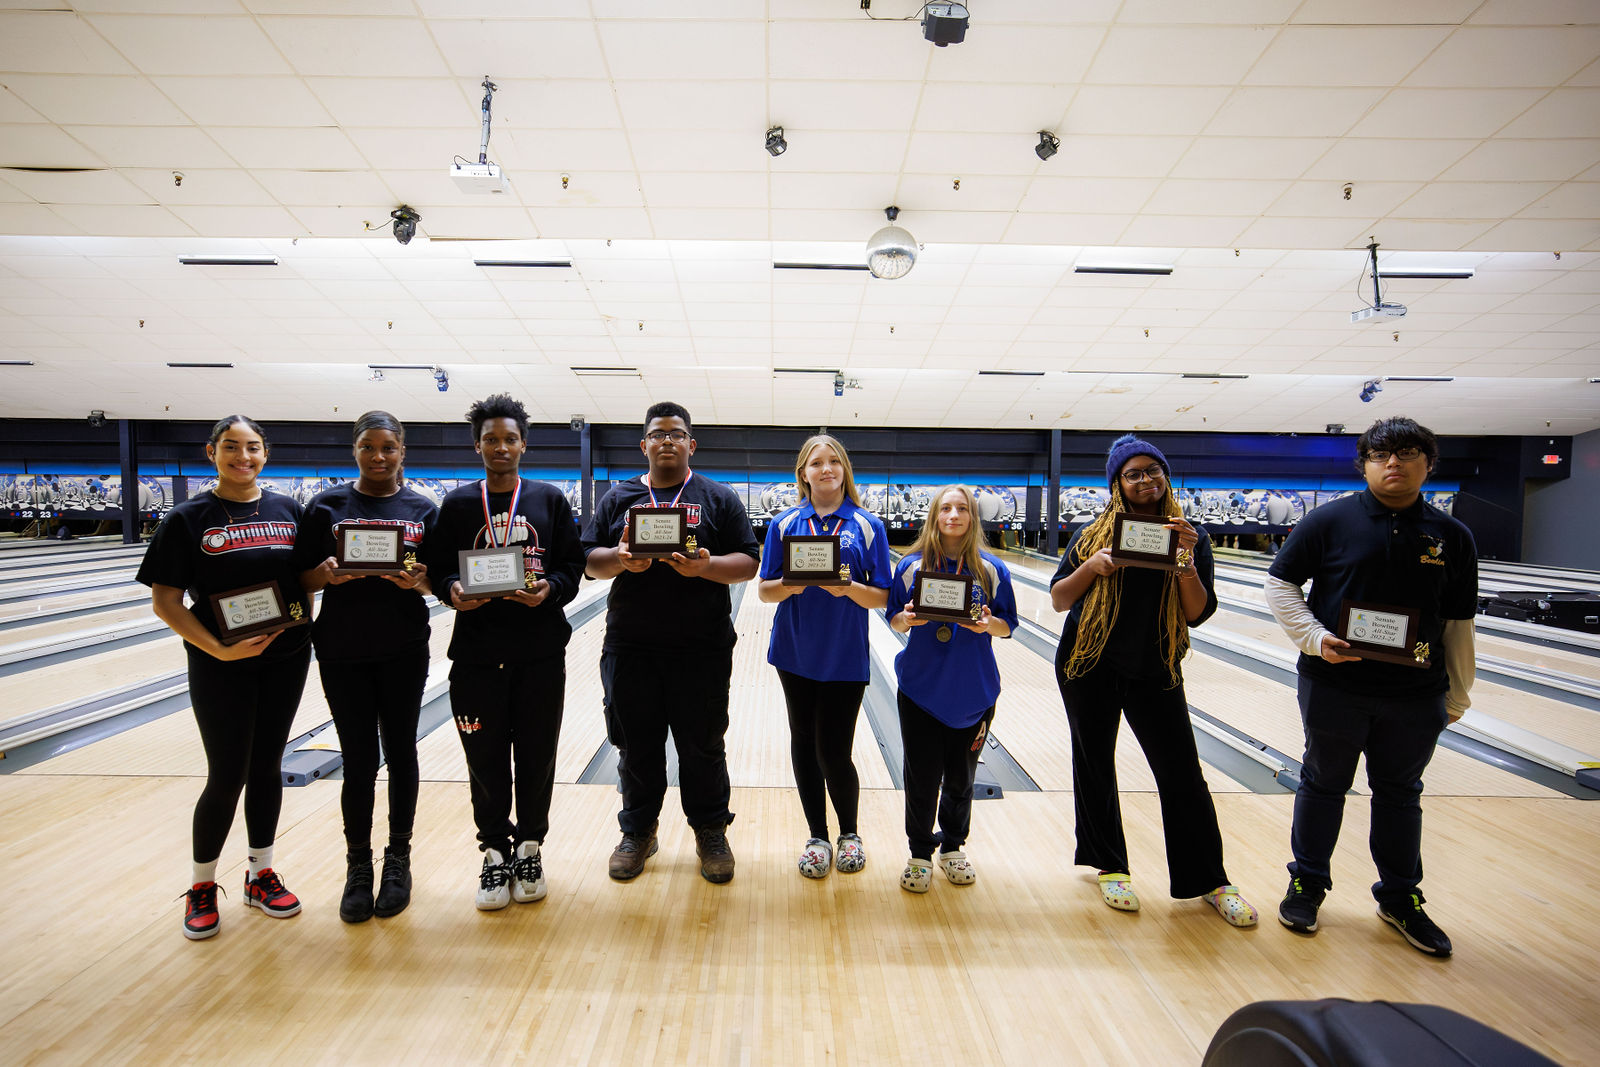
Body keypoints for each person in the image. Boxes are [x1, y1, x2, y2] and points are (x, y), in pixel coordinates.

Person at [1266, 416, 1477, 957]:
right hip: (1335, 681)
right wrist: (1313, 638)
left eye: (1407, 454)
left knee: (1401, 794)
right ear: (1364, 464)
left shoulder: (1452, 537)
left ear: (1428, 465)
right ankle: (1307, 883)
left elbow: (1457, 621)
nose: (1394, 464)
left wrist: (1457, 693)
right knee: (1322, 782)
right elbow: (1280, 582)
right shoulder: (1329, 521)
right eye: (1382, 455)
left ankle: (1401, 898)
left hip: (1415, 691)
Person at [1049, 435, 1257, 927]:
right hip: (1087, 663)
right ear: (1117, 484)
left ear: (1165, 476)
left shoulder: (1192, 537)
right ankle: (1110, 866)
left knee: (1182, 773)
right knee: (1095, 764)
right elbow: (1059, 599)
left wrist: (1184, 560)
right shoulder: (1091, 535)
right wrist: (1095, 568)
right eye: (1133, 473)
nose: (1145, 480)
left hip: (1156, 667)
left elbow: (1196, 613)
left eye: (1152, 470)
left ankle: (1209, 880)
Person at [137, 416, 312, 940]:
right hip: (221, 662)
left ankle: (260, 873)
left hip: (286, 655)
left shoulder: (288, 510)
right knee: (227, 771)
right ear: (212, 451)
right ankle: (201, 885)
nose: (243, 456)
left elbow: (305, 579)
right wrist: (217, 648)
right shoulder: (188, 518)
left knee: (267, 765)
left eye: (253, 447)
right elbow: (164, 601)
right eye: (231, 447)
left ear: (266, 454)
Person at [582, 402, 760, 884]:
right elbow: (590, 561)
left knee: (703, 745)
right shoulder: (617, 498)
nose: (667, 440)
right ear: (644, 445)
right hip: (631, 645)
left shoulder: (718, 498)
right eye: (658, 434)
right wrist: (620, 559)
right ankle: (638, 830)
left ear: (690, 444)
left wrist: (706, 567)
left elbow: (748, 561)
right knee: (635, 745)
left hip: (700, 647)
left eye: (677, 434)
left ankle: (710, 830)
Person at [424, 394, 584, 910]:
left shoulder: (549, 499)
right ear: (478, 445)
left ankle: (530, 846)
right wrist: (451, 590)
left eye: (509, 438)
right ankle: (494, 851)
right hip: (475, 656)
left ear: (523, 444)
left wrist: (550, 590)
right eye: (491, 439)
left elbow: (570, 567)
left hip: (539, 654)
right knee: (485, 760)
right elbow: (436, 567)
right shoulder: (458, 504)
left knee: (536, 757)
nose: (500, 447)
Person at [298, 411, 437, 923]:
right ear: (354, 450)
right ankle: (358, 865)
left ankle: (397, 859)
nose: (378, 457)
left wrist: (418, 580)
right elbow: (301, 579)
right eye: (368, 447)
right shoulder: (325, 506)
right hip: (341, 648)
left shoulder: (423, 508)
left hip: (403, 647)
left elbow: (436, 581)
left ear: (403, 451)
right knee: (357, 758)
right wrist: (326, 575)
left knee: (401, 751)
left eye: (388, 448)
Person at [757, 435, 891, 878]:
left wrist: (847, 588)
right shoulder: (784, 523)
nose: (826, 469)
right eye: (816, 463)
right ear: (804, 473)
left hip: (844, 654)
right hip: (794, 652)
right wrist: (793, 584)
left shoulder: (868, 524)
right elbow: (764, 590)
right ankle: (817, 835)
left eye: (834, 461)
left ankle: (849, 833)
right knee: (804, 745)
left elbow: (882, 597)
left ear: (844, 470)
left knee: (835, 750)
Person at [885, 485, 1017, 893]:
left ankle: (953, 847)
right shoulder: (911, 565)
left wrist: (987, 624)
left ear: (973, 517)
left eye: (963, 508)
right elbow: (892, 618)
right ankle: (920, 852)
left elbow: (1009, 625)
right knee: (921, 777)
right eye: (946, 508)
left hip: (974, 693)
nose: (954, 515)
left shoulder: (992, 569)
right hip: (921, 690)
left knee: (961, 780)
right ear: (935, 516)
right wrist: (908, 619)